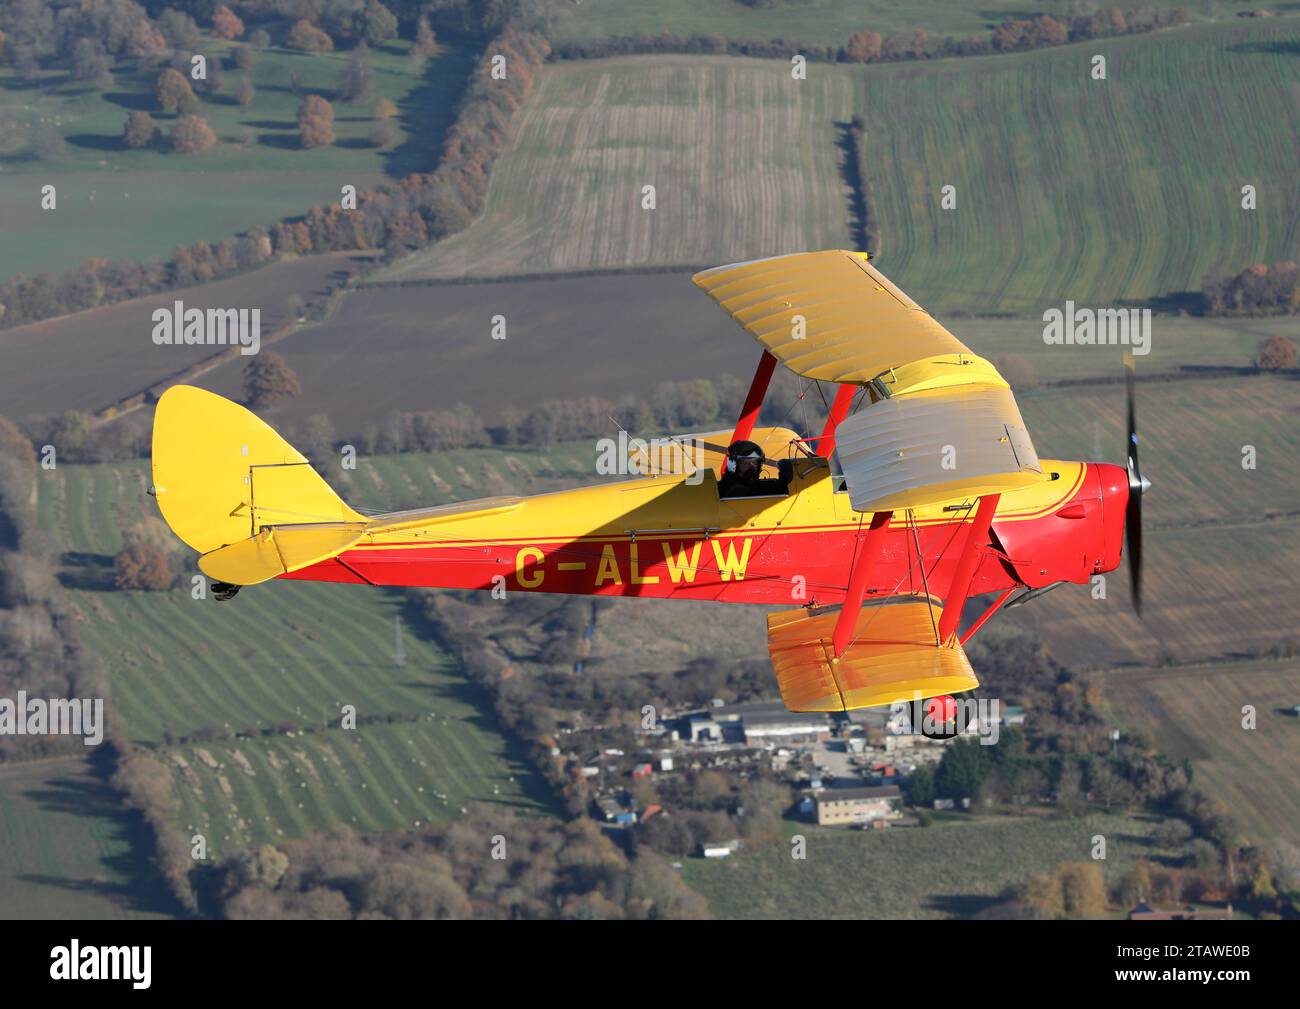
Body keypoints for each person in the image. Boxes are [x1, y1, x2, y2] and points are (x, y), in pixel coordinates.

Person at [718, 440, 793, 498]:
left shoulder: (748, 483)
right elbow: (751, 495)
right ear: (733, 465)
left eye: (755, 463)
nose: (751, 467)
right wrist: (782, 488)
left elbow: (756, 486)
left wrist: (782, 483)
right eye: (745, 463)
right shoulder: (733, 489)